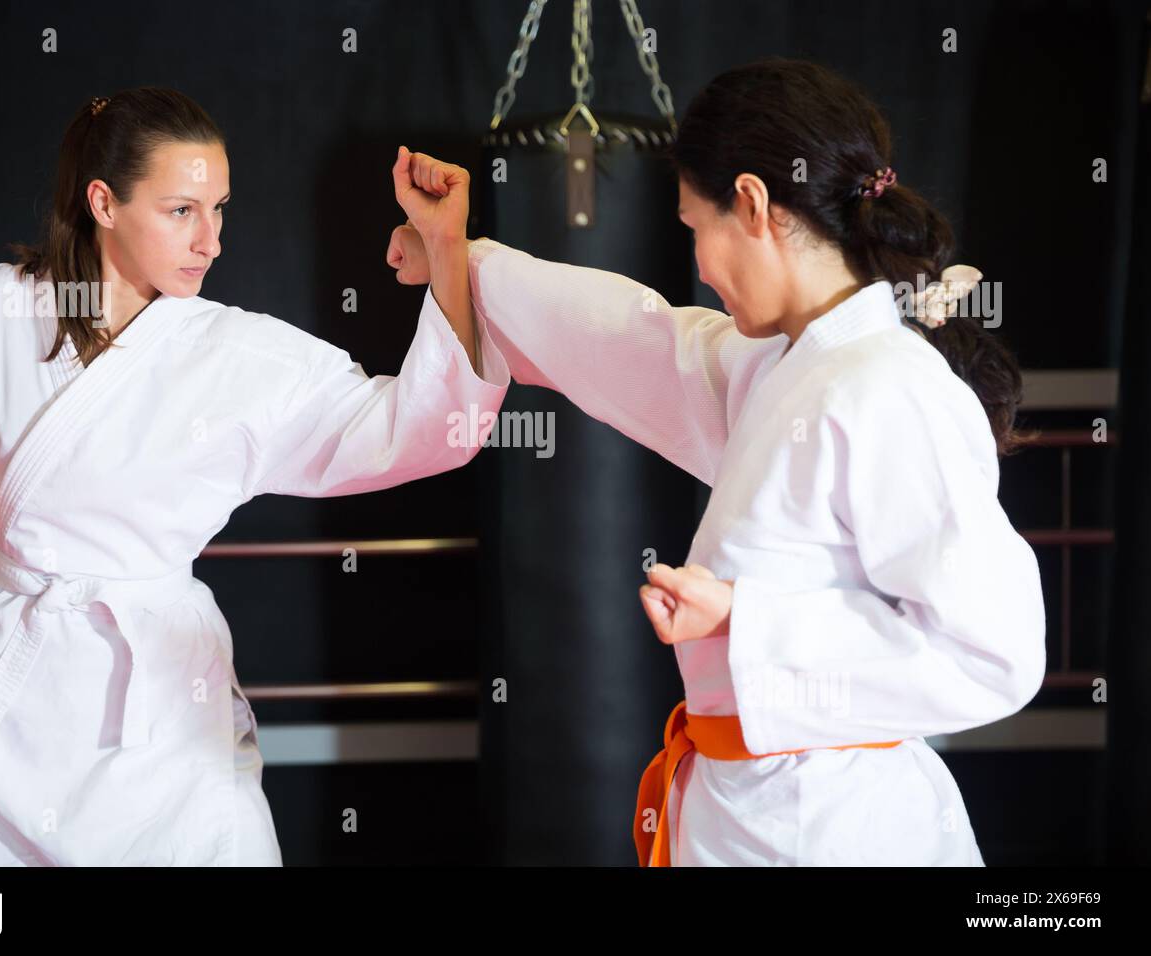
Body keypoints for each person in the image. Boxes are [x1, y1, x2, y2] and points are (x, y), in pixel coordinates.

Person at [386, 57, 1046, 866]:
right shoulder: (779, 364)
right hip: (746, 816)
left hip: (836, 827)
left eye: (697, 226)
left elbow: (993, 653)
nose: (697, 264)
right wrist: (461, 255)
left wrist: (747, 618)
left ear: (755, 204)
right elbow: (641, 340)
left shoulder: (890, 386)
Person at [0, 86, 509, 865]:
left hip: (161, 706)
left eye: (219, 209)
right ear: (103, 201)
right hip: (15, 696)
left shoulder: (238, 358)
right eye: (181, 211)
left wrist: (449, 260)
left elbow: (419, 431)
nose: (211, 241)